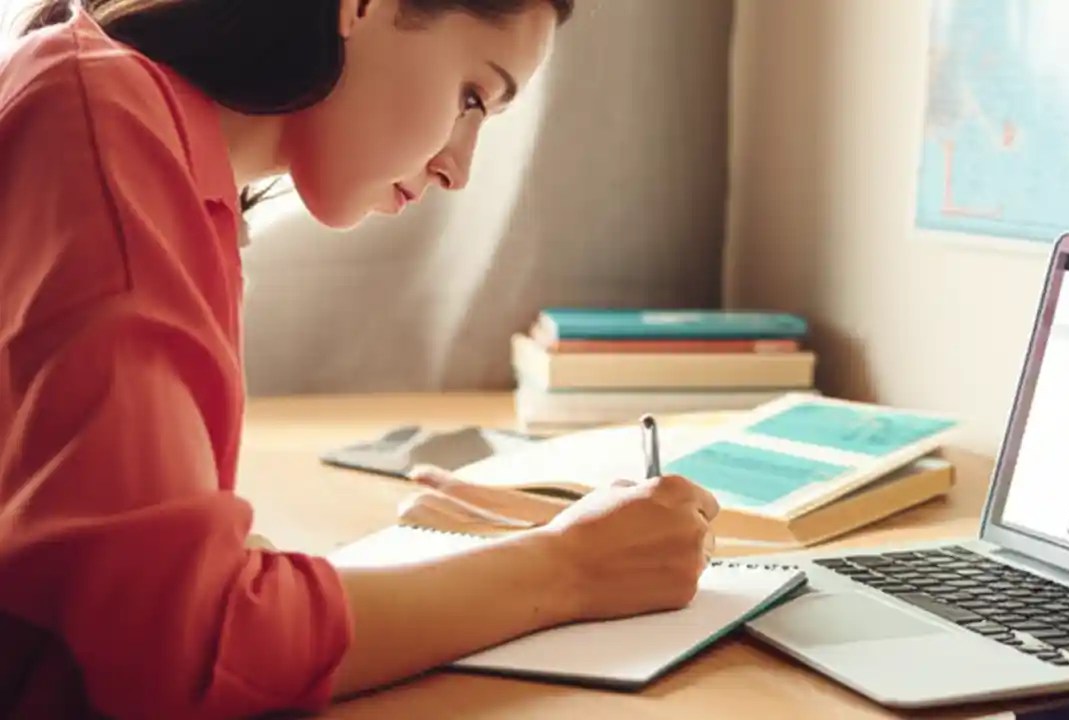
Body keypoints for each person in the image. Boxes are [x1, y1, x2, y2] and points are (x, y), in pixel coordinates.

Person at [0, 1, 721, 718]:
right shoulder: (105, 130)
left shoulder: (167, 157)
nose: (458, 170)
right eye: (472, 96)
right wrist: (568, 568)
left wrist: (478, 574)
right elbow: (182, 649)